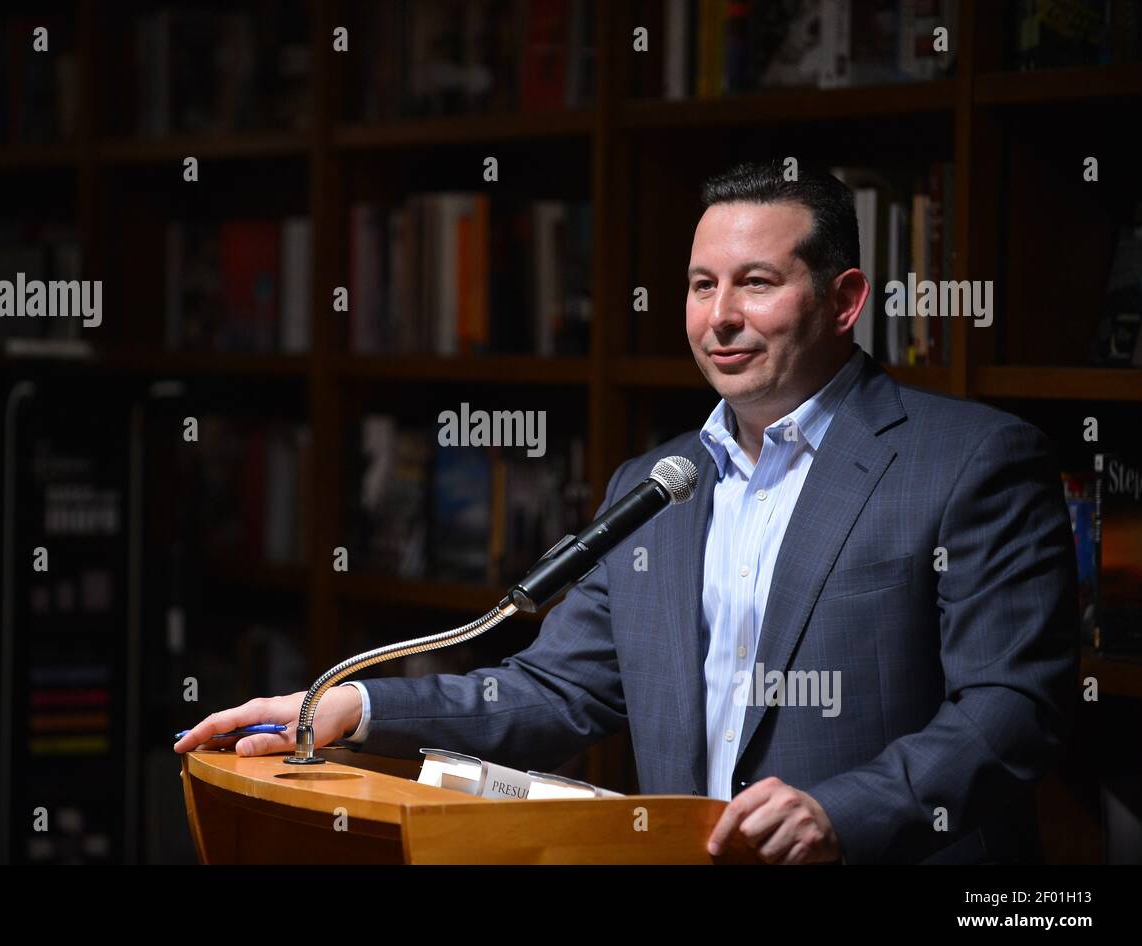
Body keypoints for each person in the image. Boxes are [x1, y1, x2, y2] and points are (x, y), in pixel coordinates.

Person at [175, 160, 1079, 864]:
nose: (719, 317)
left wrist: (841, 812)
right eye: (699, 285)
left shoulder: (969, 461)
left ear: (844, 300)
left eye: (756, 282)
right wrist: (349, 705)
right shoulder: (659, 482)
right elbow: (557, 690)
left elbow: (1013, 708)